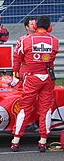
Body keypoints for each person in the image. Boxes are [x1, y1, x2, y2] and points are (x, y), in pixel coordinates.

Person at [11, 15, 59, 152]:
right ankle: (43, 141)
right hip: (48, 79)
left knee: (24, 108)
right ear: (50, 27)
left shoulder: (25, 40)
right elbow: (52, 57)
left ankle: (16, 140)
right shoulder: (54, 41)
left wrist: (16, 74)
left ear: (36, 26)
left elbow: (17, 58)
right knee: (46, 109)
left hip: (31, 79)